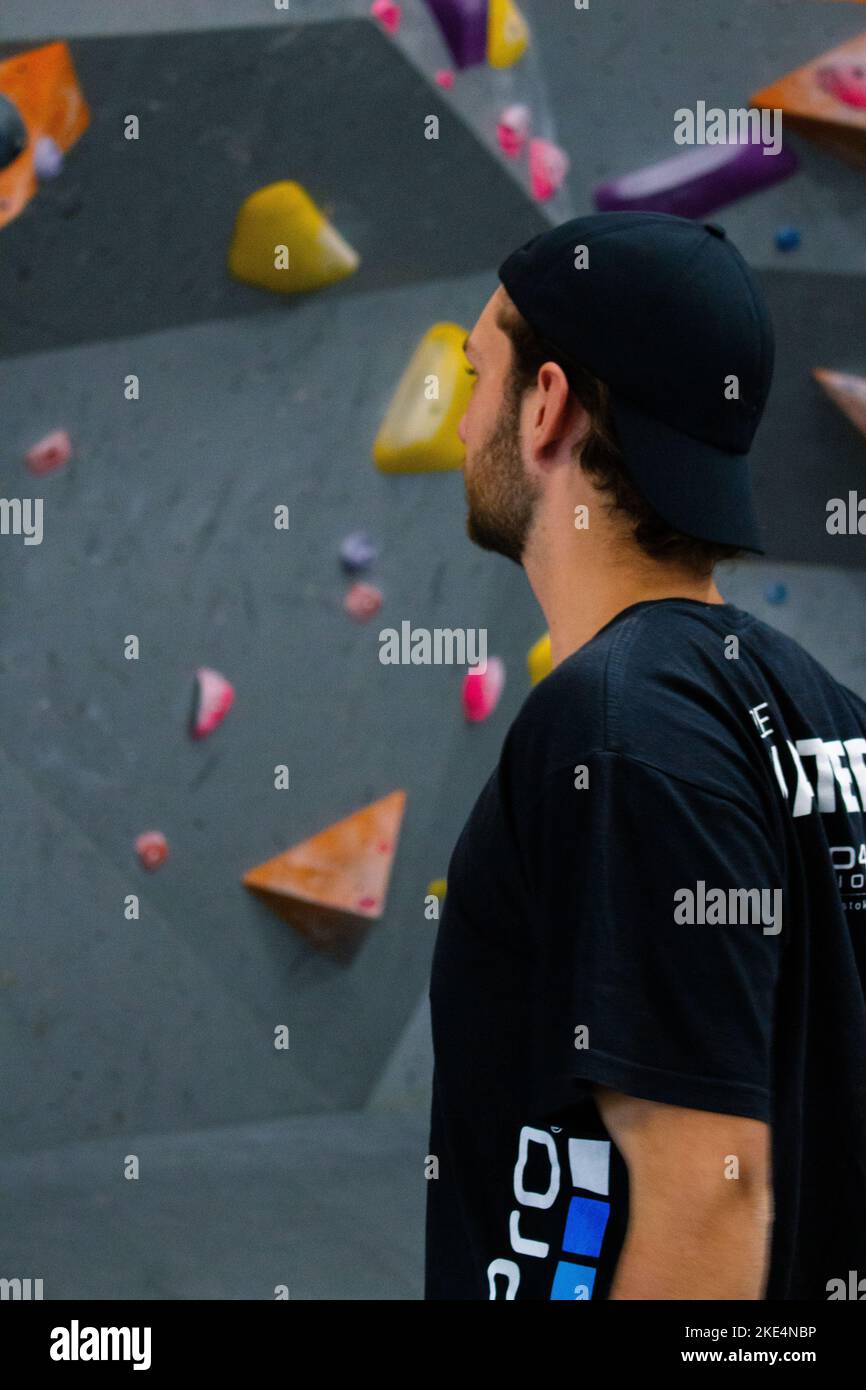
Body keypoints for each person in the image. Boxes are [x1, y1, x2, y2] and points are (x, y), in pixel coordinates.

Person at [424, 211, 866, 1301]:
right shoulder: (829, 713)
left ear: (545, 406)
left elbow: (709, 1194)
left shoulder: (615, 731)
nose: (463, 420)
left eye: (477, 374)